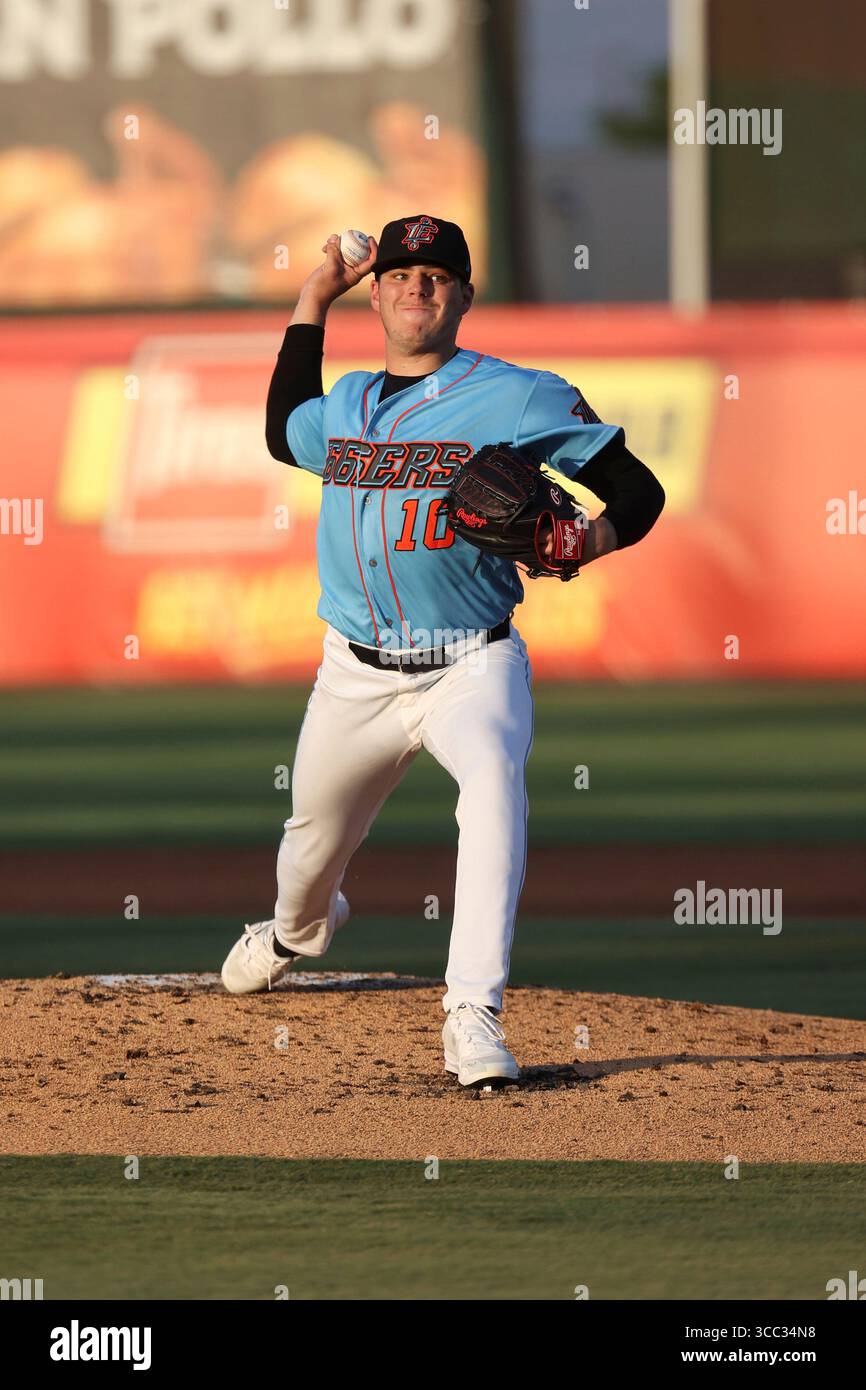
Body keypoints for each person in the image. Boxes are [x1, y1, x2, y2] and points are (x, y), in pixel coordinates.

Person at [220, 215, 665, 1088]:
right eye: (400, 273)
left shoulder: (520, 396)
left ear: (464, 295)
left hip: (473, 663)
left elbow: (636, 489)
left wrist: (589, 539)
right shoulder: (343, 403)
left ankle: (473, 1012)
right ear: (376, 291)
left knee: (494, 793)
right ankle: (294, 933)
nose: (416, 286)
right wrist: (314, 294)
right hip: (353, 674)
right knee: (308, 851)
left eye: (436, 274)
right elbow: (282, 428)